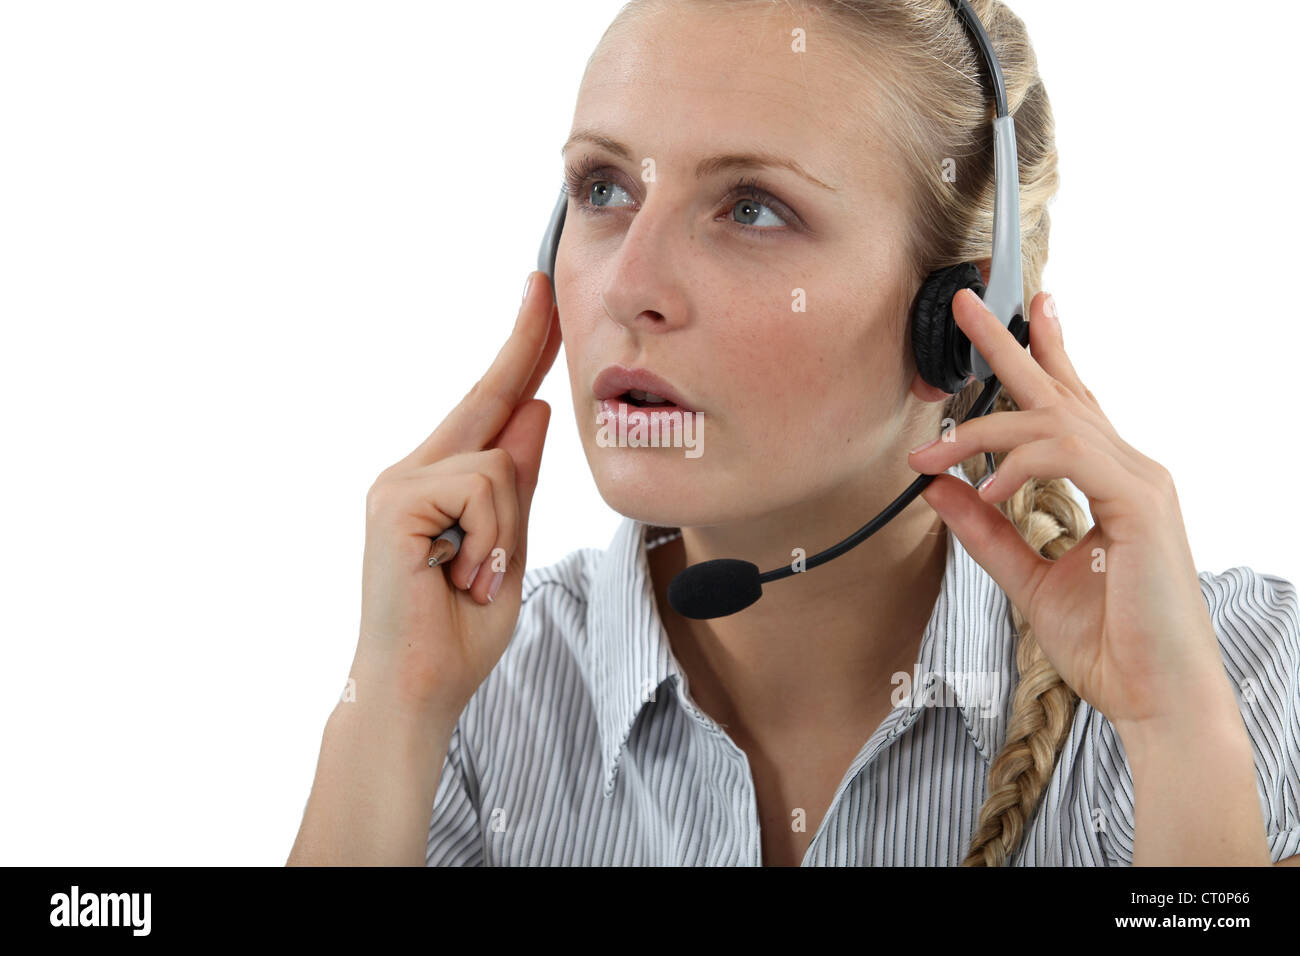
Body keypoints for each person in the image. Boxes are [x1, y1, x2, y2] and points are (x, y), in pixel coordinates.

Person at [286, 0, 1300, 866]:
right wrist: (387, 712)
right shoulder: (473, 691)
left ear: (959, 311)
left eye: (752, 209)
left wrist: (1178, 736)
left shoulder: (1243, 677)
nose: (629, 286)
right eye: (605, 189)